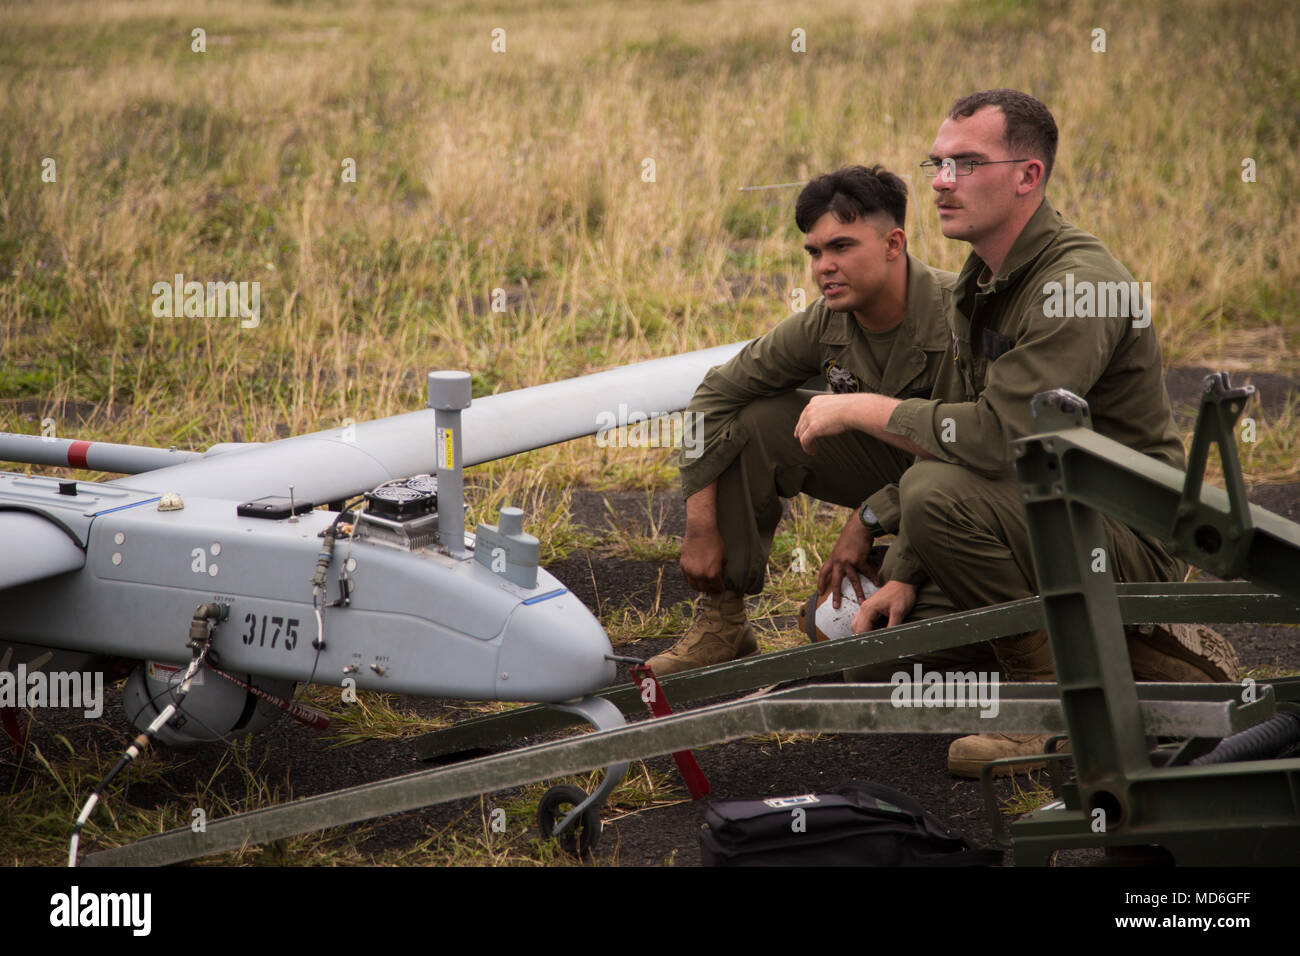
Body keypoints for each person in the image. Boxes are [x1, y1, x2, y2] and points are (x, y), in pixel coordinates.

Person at [792, 89, 1239, 776]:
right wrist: (907, 568)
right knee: (869, 646)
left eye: (966, 164)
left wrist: (857, 408)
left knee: (938, 494)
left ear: (1028, 175)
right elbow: (957, 434)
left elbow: (996, 439)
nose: (941, 181)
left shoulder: (1077, 284)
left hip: (1119, 531)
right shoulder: (982, 280)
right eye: (937, 163)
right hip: (1037, 517)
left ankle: (1050, 713)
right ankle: (1137, 656)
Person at [646, 165, 956, 677]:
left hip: (964, 486)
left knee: (894, 639)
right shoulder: (827, 318)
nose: (822, 267)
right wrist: (700, 526)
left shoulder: (956, 318)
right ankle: (723, 623)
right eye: (813, 252)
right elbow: (714, 396)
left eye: (841, 247)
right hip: (899, 469)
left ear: (893, 243)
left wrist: (868, 520)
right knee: (757, 420)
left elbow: (968, 450)